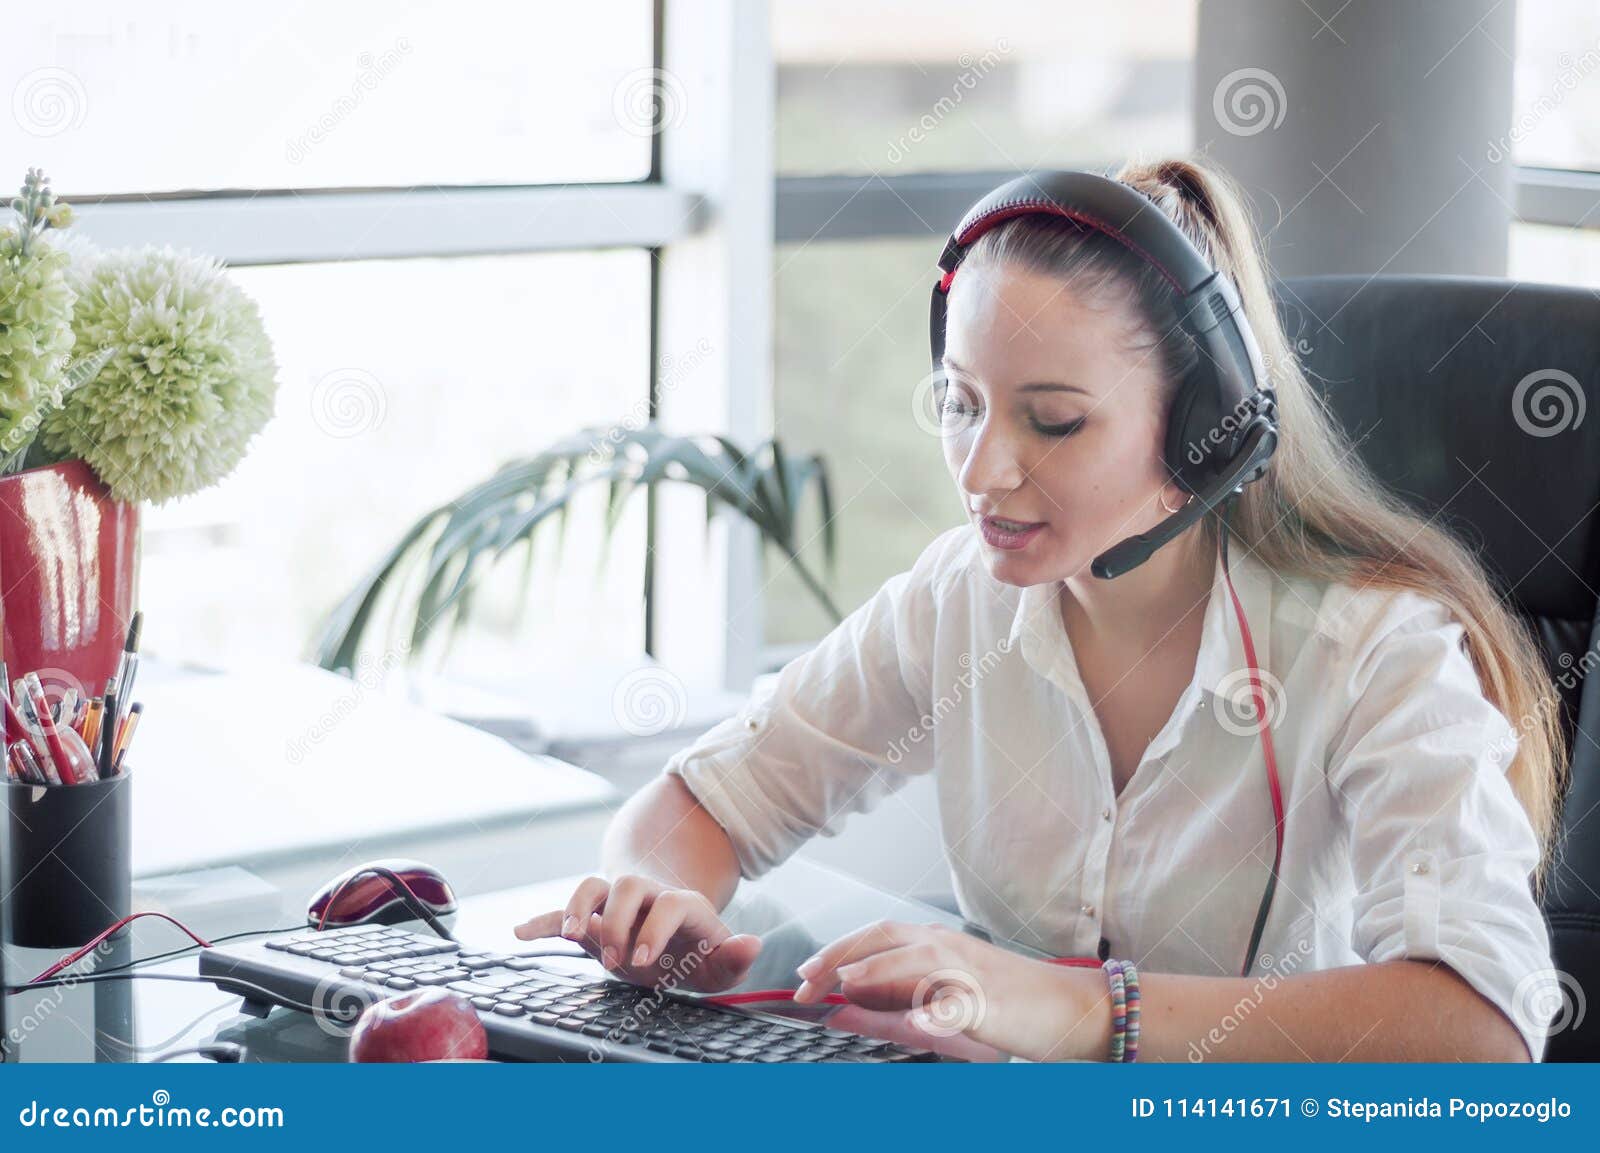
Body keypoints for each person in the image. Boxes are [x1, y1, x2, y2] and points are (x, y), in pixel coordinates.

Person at [514, 156, 1564, 1062]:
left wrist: (1072, 1006)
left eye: (1052, 423)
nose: (980, 471)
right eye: (959, 403)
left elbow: (1478, 1030)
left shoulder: (1371, 651)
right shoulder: (955, 598)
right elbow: (696, 805)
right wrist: (654, 896)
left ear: (1206, 437)